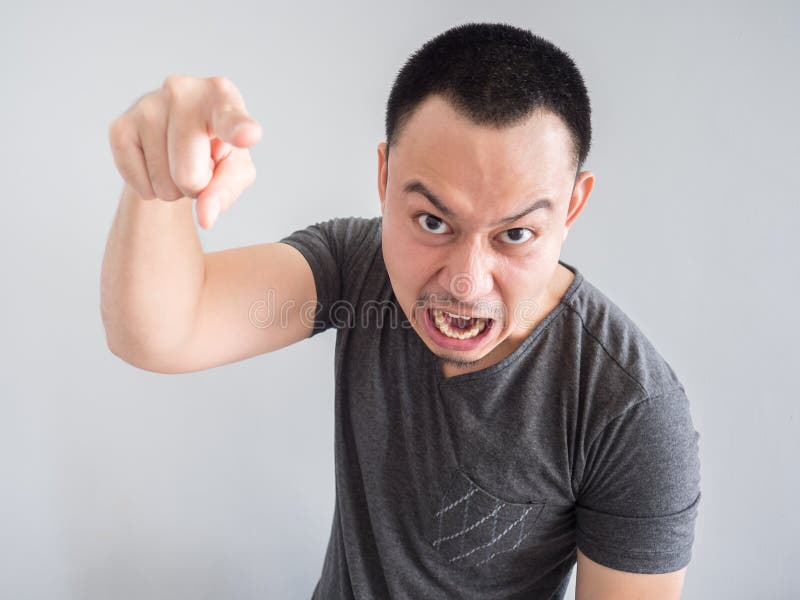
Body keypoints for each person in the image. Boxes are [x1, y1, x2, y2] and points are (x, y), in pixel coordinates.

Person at [102, 22, 701, 600]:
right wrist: (158, 185)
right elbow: (161, 332)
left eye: (515, 234)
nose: (466, 283)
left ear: (570, 209)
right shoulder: (357, 269)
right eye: (433, 222)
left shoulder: (631, 411)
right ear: (385, 177)